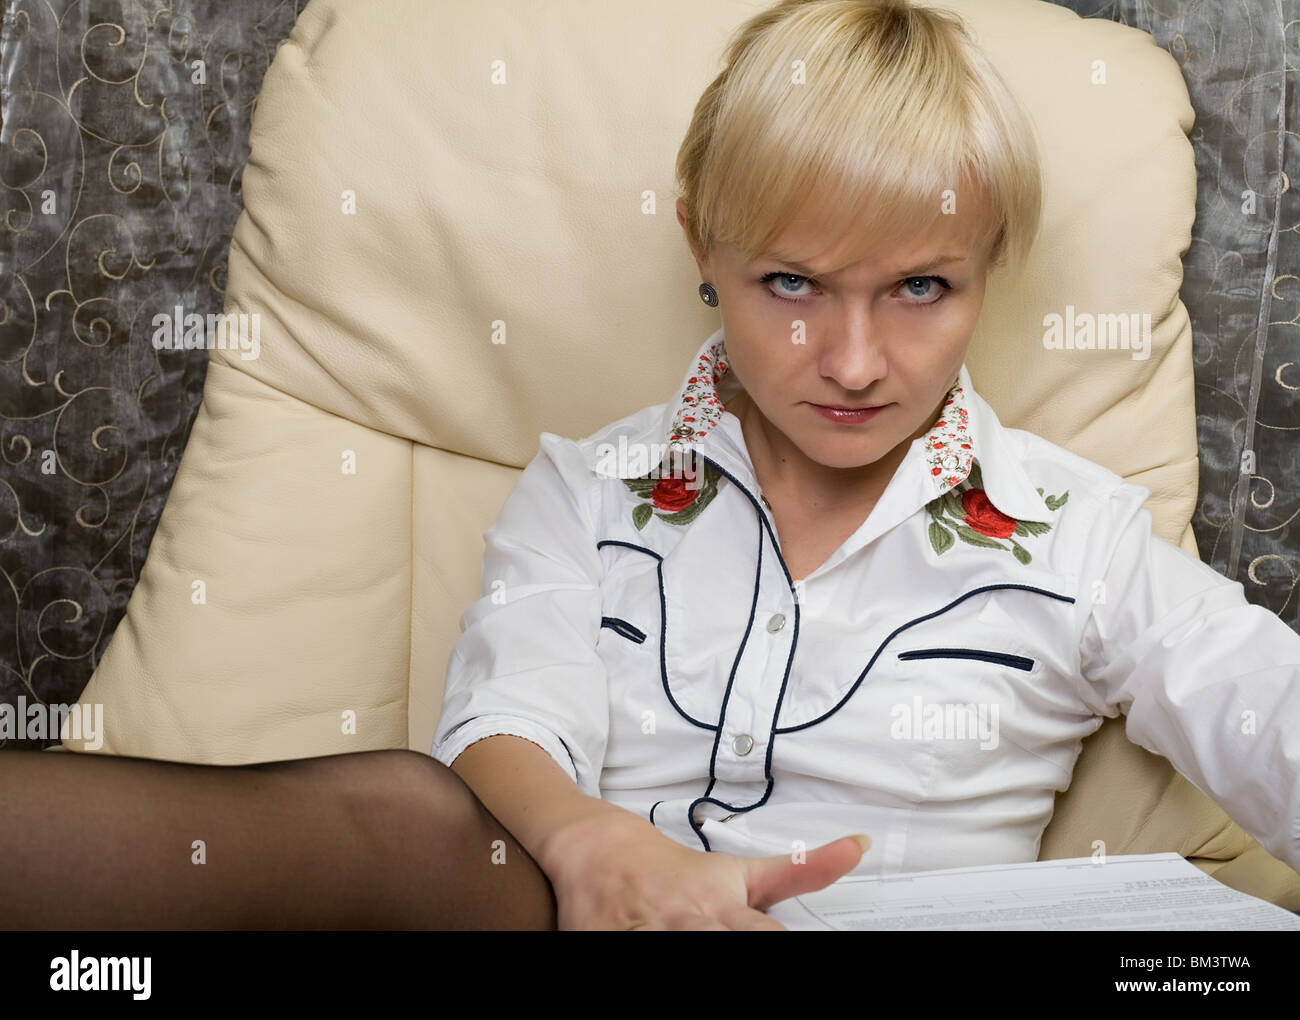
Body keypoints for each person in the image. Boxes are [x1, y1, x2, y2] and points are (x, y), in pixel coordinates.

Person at [3, 0, 1297, 933]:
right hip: (596, 914)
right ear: (705, 244)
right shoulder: (593, 489)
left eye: (921, 287)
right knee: (413, 815)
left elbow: (1262, 706)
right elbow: (509, 723)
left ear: (989, 268)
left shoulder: (1071, 532)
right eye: (791, 283)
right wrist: (592, 846)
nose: (853, 359)